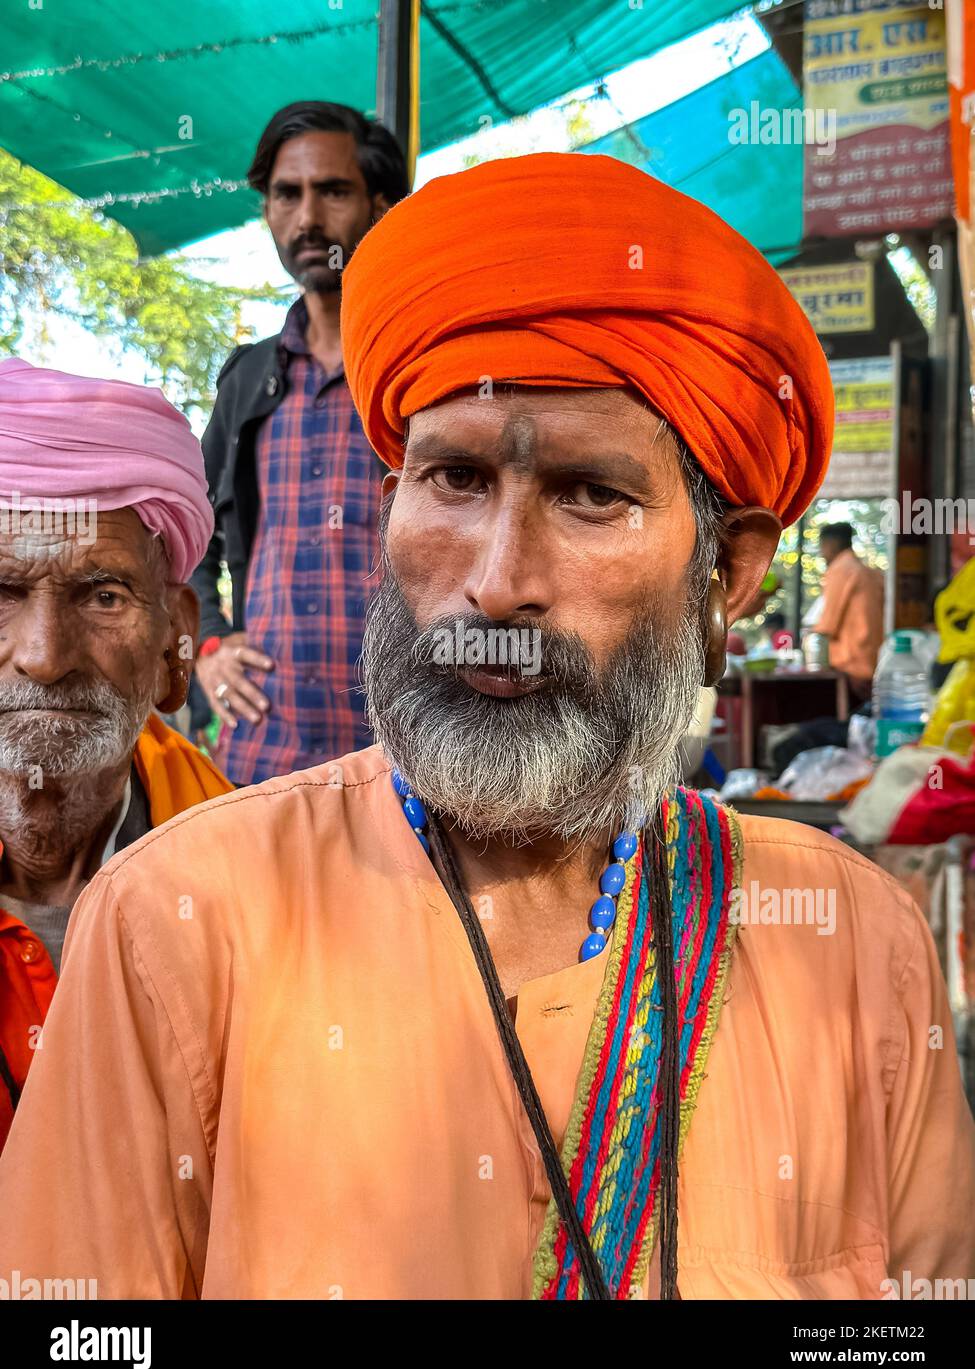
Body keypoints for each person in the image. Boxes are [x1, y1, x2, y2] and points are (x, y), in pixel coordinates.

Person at [1, 155, 972, 1300]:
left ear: (730, 575)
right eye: (454, 479)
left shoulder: (856, 945)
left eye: (590, 496)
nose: (498, 582)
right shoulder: (178, 922)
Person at [0, 359, 232, 1147]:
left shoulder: (244, 889)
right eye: (2, 591)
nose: (43, 655)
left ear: (177, 646)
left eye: (103, 595)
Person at [191, 102, 408, 784]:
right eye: (287, 194)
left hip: (406, 768)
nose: (308, 219)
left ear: (378, 204)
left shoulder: (420, 369)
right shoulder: (248, 380)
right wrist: (207, 642)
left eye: (333, 191)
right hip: (261, 761)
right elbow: (188, 539)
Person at [814, 521, 885, 699]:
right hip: (874, 659)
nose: (822, 554)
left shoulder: (840, 569)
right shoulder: (868, 571)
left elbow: (828, 623)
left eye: (822, 548)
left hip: (853, 662)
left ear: (830, 544)